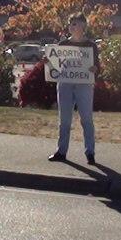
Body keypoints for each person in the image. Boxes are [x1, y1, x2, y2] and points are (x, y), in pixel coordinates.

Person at [48, 12, 100, 165]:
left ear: (84, 26)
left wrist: (94, 69)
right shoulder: (62, 45)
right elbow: (55, 66)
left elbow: (97, 66)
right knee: (64, 120)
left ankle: (90, 152)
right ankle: (61, 151)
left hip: (84, 85)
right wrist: (49, 62)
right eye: (71, 24)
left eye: (76, 23)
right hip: (65, 84)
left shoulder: (91, 46)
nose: (72, 27)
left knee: (86, 119)